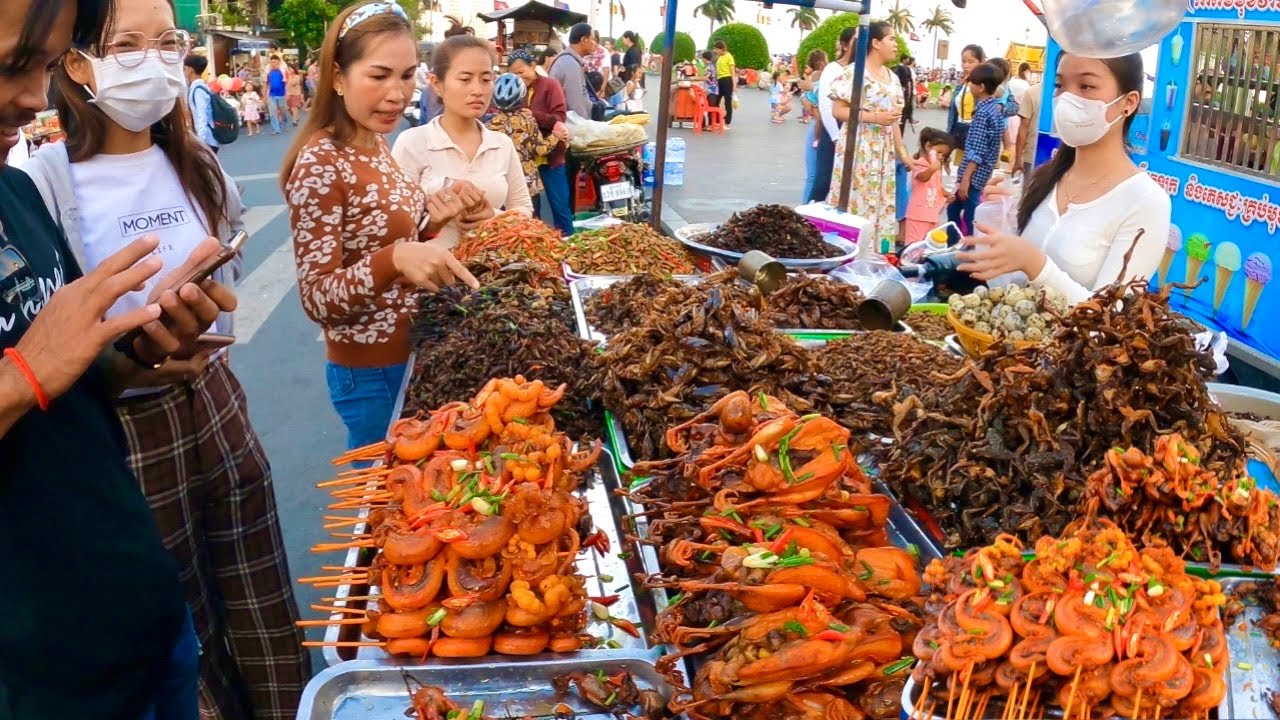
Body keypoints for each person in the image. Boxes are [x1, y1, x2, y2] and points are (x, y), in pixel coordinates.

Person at [22, 1, 313, 717]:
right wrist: (130, 348)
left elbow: (227, 257)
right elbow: (51, 327)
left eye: (167, 43)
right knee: (177, 620)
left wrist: (202, 302)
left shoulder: (198, 162)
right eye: (127, 45)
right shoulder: (45, 180)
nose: (152, 63)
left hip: (215, 400)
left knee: (260, 593)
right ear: (78, 63)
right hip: (124, 431)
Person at [0, 1, 241, 717]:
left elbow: (72, 385)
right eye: (13, 65)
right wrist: (23, 375)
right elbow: (37, 370)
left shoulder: (12, 191)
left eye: (45, 67)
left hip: (138, 611)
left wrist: (138, 352)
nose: (34, 98)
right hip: (40, 676)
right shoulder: (44, 176)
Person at [283, 1, 478, 451]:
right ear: (337, 77)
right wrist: (395, 258)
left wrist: (431, 221)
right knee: (382, 487)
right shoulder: (321, 162)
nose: (397, 93)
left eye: (407, 75)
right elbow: (318, 298)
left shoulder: (374, 143)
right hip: (371, 372)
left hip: (414, 350)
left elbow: (386, 238)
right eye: (379, 75)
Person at [958, 53, 1168, 304]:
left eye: (1086, 86)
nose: (1067, 99)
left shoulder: (1146, 202)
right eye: (1060, 86)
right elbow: (1011, 288)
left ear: (1129, 102)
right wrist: (1003, 218)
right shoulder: (1045, 177)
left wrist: (1034, 264)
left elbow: (1111, 314)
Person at [393, 35, 534, 248]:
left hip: (492, 264)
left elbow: (523, 208)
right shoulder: (412, 143)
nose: (478, 90)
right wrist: (431, 223)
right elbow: (394, 227)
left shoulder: (501, 144)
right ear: (437, 84)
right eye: (465, 79)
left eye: (486, 79)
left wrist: (495, 217)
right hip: (432, 267)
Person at [828, 21, 911, 244]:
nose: (896, 45)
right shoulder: (854, 73)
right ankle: (849, 249)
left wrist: (903, 155)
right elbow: (838, 110)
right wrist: (875, 118)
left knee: (881, 201)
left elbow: (894, 120)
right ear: (875, 43)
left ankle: (875, 253)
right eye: (891, 39)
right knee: (856, 198)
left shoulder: (893, 77)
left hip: (884, 151)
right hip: (858, 147)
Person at [509, 49, 572, 235]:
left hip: (551, 157)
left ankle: (568, 243)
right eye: (514, 74)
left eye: (521, 72)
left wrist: (534, 115)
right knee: (530, 212)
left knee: (560, 206)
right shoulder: (515, 90)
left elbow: (560, 117)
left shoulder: (550, 85)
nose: (519, 78)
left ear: (533, 66)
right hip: (526, 162)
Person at [948, 62, 1007, 234]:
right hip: (981, 175)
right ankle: (961, 242)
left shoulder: (982, 113)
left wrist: (965, 180)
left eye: (972, 83)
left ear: (981, 87)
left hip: (972, 176)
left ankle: (965, 245)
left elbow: (977, 150)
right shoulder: (995, 109)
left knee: (968, 216)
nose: (969, 86)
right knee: (957, 210)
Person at [488, 72, 558, 214]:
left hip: (501, 184)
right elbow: (541, 150)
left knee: (502, 223)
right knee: (529, 222)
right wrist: (556, 136)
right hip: (527, 185)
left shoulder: (489, 126)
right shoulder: (528, 121)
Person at [808, 27, 855, 203]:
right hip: (834, 129)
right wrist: (836, 137)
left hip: (855, 130)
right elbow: (826, 107)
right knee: (824, 181)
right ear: (844, 45)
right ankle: (808, 216)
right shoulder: (833, 69)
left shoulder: (863, 69)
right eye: (856, 39)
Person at [904, 129, 957, 244]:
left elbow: (937, 187)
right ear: (928, 146)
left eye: (944, 155)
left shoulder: (936, 168)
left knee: (929, 244)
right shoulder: (919, 163)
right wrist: (932, 169)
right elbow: (922, 177)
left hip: (932, 214)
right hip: (918, 215)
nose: (941, 157)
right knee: (913, 244)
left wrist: (947, 194)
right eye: (938, 152)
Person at [947, 44, 987, 161]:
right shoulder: (961, 85)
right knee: (960, 170)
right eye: (963, 61)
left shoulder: (989, 84)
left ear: (981, 62)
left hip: (978, 138)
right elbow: (953, 115)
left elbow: (1013, 106)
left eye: (971, 61)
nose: (966, 65)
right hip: (959, 135)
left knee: (972, 169)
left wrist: (1000, 107)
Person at [550, 23, 596, 120]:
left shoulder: (569, 60)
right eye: (593, 39)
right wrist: (585, 125)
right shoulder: (570, 64)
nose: (595, 43)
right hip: (573, 124)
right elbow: (575, 105)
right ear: (584, 40)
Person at [183, 55, 219, 154]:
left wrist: (200, 142)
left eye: (185, 68)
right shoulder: (202, 87)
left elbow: (201, 116)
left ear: (190, 70)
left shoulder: (198, 90)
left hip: (207, 140)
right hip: (209, 138)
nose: (184, 71)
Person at [1014, 78, 1043, 177]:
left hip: (1033, 156)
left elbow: (1023, 128)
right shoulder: (1032, 92)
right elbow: (1023, 128)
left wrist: (1018, 159)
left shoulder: (1032, 92)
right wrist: (1018, 159)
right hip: (1033, 156)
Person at [713, 39, 736, 128]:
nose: (716, 51)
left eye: (717, 49)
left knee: (727, 102)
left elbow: (732, 72)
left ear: (721, 48)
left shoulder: (729, 57)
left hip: (727, 79)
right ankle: (717, 121)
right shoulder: (719, 57)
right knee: (716, 100)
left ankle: (727, 122)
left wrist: (734, 84)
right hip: (719, 80)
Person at [265, 54, 287, 134]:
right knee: (273, 112)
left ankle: (285, 122)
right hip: (271, 94)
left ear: (278, 62)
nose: (273, 64)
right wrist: (265, 95)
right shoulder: (269, 72)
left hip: (281, 94)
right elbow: (266, 83)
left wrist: (287, 92)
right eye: (271, 62)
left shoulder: (282, 71)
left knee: (282, 110)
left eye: (274, 62)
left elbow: (286, 82)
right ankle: (276, 129)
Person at [894, 56, 916, 131]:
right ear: (903, 60)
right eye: (907, 59)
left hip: (906, 95)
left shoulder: (907, 69)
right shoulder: (899, 69)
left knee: (901, 120)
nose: (908, 60)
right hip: (902, 95)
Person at [286, 60, 304, 125]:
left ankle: (294, 121)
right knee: (290, 108)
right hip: (288, 94)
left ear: (294, 69)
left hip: (296, 93)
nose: (289, 70)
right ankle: (296, 116)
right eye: (288, 69)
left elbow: (292, 83)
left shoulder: (297, 76)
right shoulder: (287, 76)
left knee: (294, 107)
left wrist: (289, 77)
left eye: (290, 68)